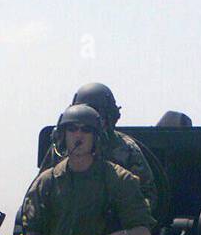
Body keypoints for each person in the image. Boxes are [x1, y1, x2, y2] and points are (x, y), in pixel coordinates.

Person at [18, 104, 154, 235]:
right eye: (72, 129)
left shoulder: (119, 180)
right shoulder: (47, 181)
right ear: (63, 136)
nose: (78, 135)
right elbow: (32, 233)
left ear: (96, 138)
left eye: (86, 130)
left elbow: (144, 233)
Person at [39, 82, 158, 214]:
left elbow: (147, 195)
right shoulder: (63, 146)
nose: (79, 133)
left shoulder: (126, 149)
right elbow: (41, 189)